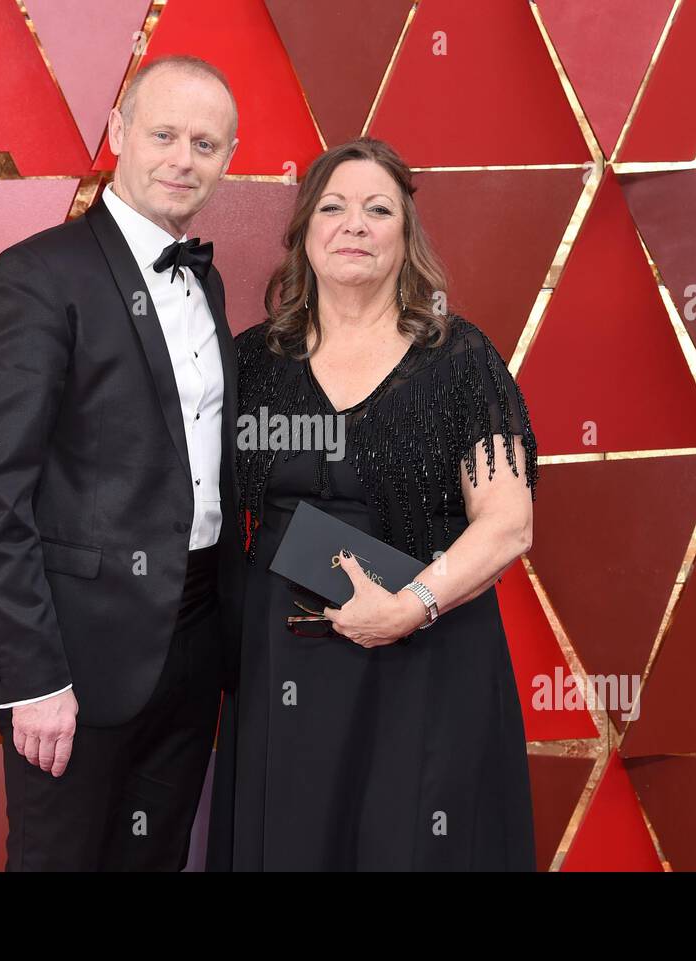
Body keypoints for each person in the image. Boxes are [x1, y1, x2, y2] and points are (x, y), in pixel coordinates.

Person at [206, 138, 539, 871]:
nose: (354, 224)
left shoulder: (459, 358)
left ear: (405, 236)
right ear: (304, 233)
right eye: (333, 206)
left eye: (377, 209)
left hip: (427, 654)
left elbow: (510, 524)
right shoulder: (251, 361)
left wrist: (410, 604)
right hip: (282, 665)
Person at [0, 55, 243, 871]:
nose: (183, 159)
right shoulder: (38, 275)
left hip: (192, 644)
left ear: (227, 157)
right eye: (163, 134)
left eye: (206, 143)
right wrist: (36, 676)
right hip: (76, 656)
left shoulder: (208, 284)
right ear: (118, 131)